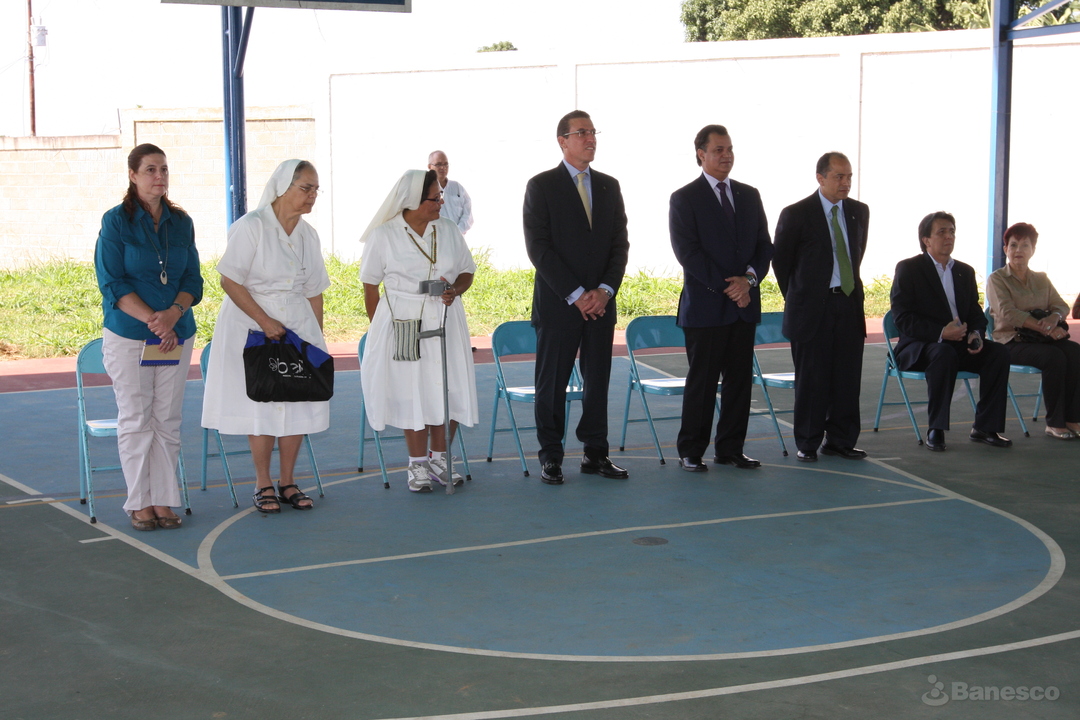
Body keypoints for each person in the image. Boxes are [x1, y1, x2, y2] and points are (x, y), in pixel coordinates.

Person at [201, 160, 331, 512]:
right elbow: (230, 280)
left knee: (296, 402)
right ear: (282, 188)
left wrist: (314, 343)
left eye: (316, 189)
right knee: (262, 403)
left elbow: (314, 290)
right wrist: (264, 320)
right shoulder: (252, 227)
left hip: (297, 326)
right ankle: (263, 484)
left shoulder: (309, 235)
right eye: (306, 188)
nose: (312, 196)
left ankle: (288, 481)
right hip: (251, 326)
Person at [94, 143, 202, 531]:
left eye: (164, 170)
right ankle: (139, 502)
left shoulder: (181, 222)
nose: (160, 177)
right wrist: (154, 321)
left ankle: (164, 500)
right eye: (151, 170)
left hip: (176, 334)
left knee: (167, 418)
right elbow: (112, 282)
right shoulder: (115, 222)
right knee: (137, 418)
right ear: (133, 175)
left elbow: (193, 279)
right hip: (130, 336)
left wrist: (173, 314)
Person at [523, 110, 629, 485]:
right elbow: (539, 249)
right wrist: (577, 294)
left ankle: (595, 453)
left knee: (597, 382)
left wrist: (604, 291)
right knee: (551, 385)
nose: (590, 138)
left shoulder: (609, 186)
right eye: (581, 132)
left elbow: (620, 245)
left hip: (601, 305)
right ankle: (551, 456)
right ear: (562, 141)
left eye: (593, 132)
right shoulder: (542, 186)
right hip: (559, 305)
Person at [360, 169, 478, 492]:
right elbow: (370, 286)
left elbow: (467, 271)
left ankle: (440, 457)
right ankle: (416, 465)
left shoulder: (449, 230)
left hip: (444, 316)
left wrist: (456, 288)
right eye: (435, 197)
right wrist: (383, 328)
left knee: (446, 384)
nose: (441, 202)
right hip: (404, 319)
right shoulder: (384, 235)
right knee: (411, 388)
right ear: (413, 200)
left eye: (441, 195)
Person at [669, 124, 773, 472]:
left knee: (739, 382)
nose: (726, 156)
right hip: (707, 307)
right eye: (718, 150)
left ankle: (730, 448)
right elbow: (688, 252)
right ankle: (691, 450)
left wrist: (748, 281)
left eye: (729, 149)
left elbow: (763, 246)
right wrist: (730, 287)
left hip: (744, 305)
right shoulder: (685, 198)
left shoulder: (749, 194)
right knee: (703, 381)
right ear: (701, 154)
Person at [773, 152, 869, 462]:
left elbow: (856, 254)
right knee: (812, 380)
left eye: (849, 176)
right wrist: (801, 297)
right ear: (820, 178)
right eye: (839, 176)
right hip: (812, 308)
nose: (846, 183)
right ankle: (808, 441)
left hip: (848, 304)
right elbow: (782, 264)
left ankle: (840, 440)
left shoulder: (859, 212)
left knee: (847, 377)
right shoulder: (797, 214)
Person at [890, 212, 1011, 452]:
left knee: (998, 353)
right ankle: (936, 428)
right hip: (920, 346)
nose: (949, 236)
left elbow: (975, 313)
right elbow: (903, 318)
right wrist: (941, 332)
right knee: (943, 353)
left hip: (957, 344)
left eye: (952, 231)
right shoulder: (909, 268)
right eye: (942, 232)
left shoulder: (964, 271)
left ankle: (985, 427)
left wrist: (976, 333)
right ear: (926, 239)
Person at [986, 222, 1080, 439]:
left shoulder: (1041, 278)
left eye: (1025, 245)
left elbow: (1061, 306)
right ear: (1005, 249)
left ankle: (1072, 418)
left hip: (1041, 338)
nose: (1019, 250)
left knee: (1075, 351)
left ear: (1033, 250)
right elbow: (1008, 313)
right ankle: (1055, 423)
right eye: (1013, 245)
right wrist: (1046, 329)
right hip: (1010, 342)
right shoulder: (997, 279)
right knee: (1054, 357)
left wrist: (1054, 318)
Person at [428, 151, 473, 235]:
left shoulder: (457, 187)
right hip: (435, 239)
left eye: (446, 164)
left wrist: (456, 232)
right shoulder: (425, 190)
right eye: (438, 164)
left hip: (458, 238)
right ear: (430, 167)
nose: (443, 167)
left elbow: (468, 215)